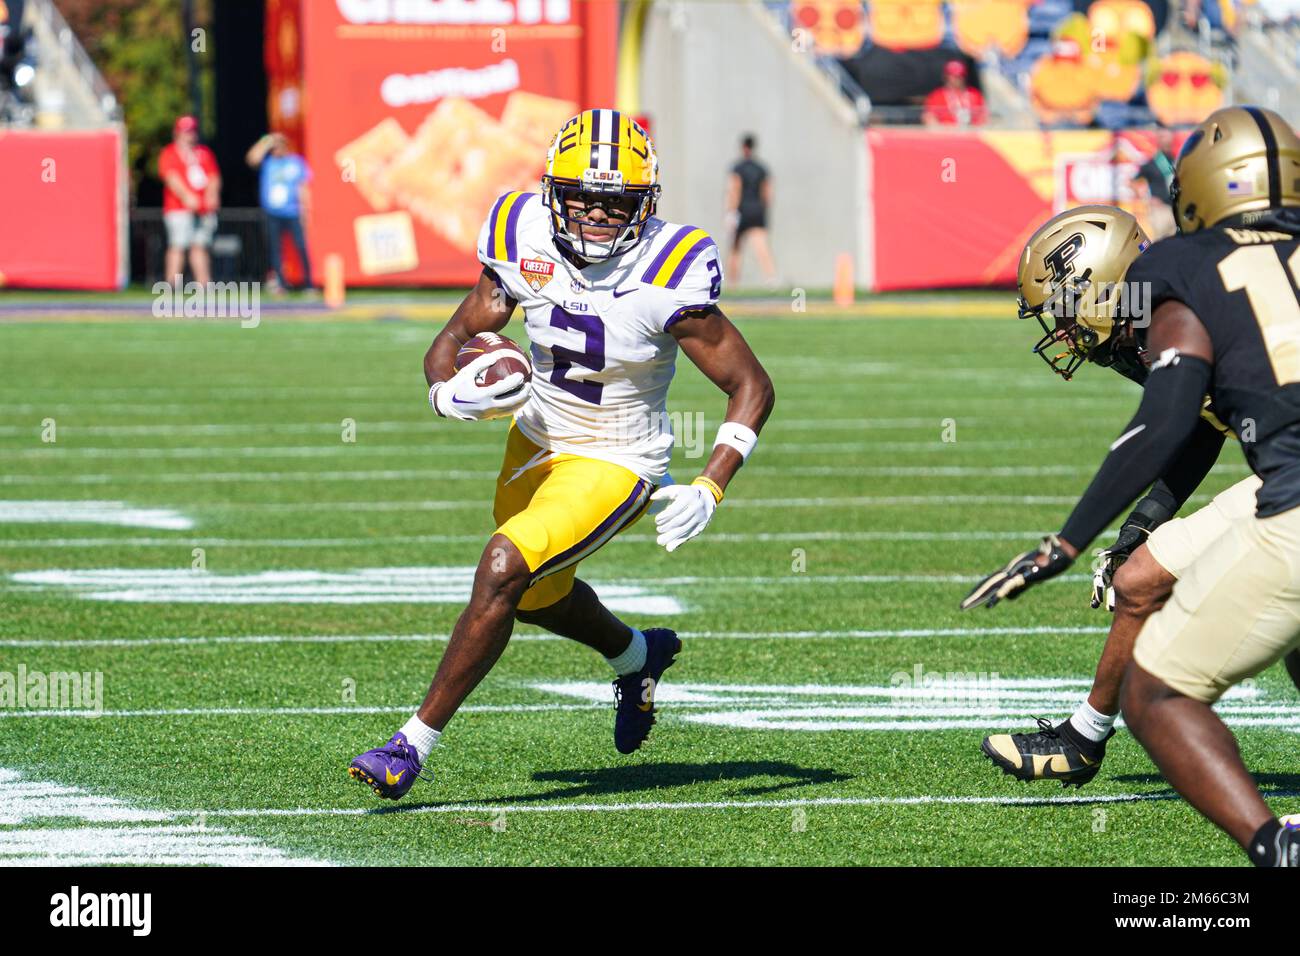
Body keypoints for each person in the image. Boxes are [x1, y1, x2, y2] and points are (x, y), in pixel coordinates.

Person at [347, 109, 776, 800]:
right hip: (534, 441)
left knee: (501, 569)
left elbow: (750, 385)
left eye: (616, 203)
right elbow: (454, 336)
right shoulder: (521, 231)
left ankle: (410, 744)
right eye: (584, 199)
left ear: (646, 203)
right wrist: (445, 394)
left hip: (617, 459)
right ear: (553, 193)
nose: (599, 217)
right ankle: (639, 656)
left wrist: (711, 484)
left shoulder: (672, 267)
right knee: (533, 596)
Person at [963, 106, 1300, 867]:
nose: (1062, 330)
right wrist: (1143, 521)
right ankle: (1084, 738)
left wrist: (1067, 540)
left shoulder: (1179, 279)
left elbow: (1172, 418)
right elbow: (1204, 427)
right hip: (1287, 473)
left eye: (1062, 308)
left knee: (1163, 690)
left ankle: (1273, 848)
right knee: (1144, 574)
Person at [246, 132, 314, 293]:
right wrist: (266, 141)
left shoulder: (295, 162)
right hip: (272, 213)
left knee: (301, 246)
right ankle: (281, 283)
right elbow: (251, 158)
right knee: (275, 249)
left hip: (293, 212)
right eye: (274, 147)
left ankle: (309, 282)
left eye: (279, 145)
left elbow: (303, 188)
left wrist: (306, 211)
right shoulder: (268, 163)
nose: (277, 149)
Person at [158, 115, 221, 286]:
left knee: (199, 246)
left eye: (192, 131)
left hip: (202, 209)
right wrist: (187, 197)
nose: (189, 135)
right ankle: (171, 285)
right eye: (186, 132)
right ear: (177, 133)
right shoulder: (170, 152)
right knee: (177, 245)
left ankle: (204, 285)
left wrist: (211, 195)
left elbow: (213, 177)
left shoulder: (203, 153)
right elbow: (171, 178)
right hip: (178, 209)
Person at [725, 134, 779, 287]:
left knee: (736, 248)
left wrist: (731, 212)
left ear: (743, 147)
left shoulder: (738, 168)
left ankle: (732, 283)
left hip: (742, 210)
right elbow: (767, 192)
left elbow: (735, 190)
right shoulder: (761, 168)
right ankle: (771, 278)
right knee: (762, 245)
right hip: (757, 210)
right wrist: (763, 209)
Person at [922, 60, 987, 128]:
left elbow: (984, 116)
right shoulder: (936, 95)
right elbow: (929, 117)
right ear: (946, 76)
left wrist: (975, 128)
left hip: (971, 132)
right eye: (954, 76)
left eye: (961, 75)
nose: (958, 78)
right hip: (947, 134)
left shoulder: (975, 94)